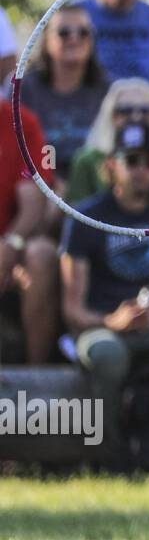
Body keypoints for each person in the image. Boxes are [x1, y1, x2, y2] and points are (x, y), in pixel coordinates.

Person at [60, 122, 149, 472]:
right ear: (111, 165)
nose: (142, 170)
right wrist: (113, 321)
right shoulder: (86, 216)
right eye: (132, 160)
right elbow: (73, 310)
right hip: (100, 325)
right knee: (108, 353)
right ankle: (109, 455)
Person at [18, 4, 111, 180]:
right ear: (47, 40)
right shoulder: (22, 90)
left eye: (83, 32)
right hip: (38, 186)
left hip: (94, 187)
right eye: (64, 32)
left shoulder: (108, 90)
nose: (74, 38)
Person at [65, 78, 149, 202]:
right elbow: (78, 213)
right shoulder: (87, 160)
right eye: (125, 111)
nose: (136, 117)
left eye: (146, 111)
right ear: (110, 115)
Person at [0, 99, 58, 364]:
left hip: (12, 243)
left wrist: (11, 244)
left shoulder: (20, 121)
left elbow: (32, 198)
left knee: (42, 254)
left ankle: (37, 374)